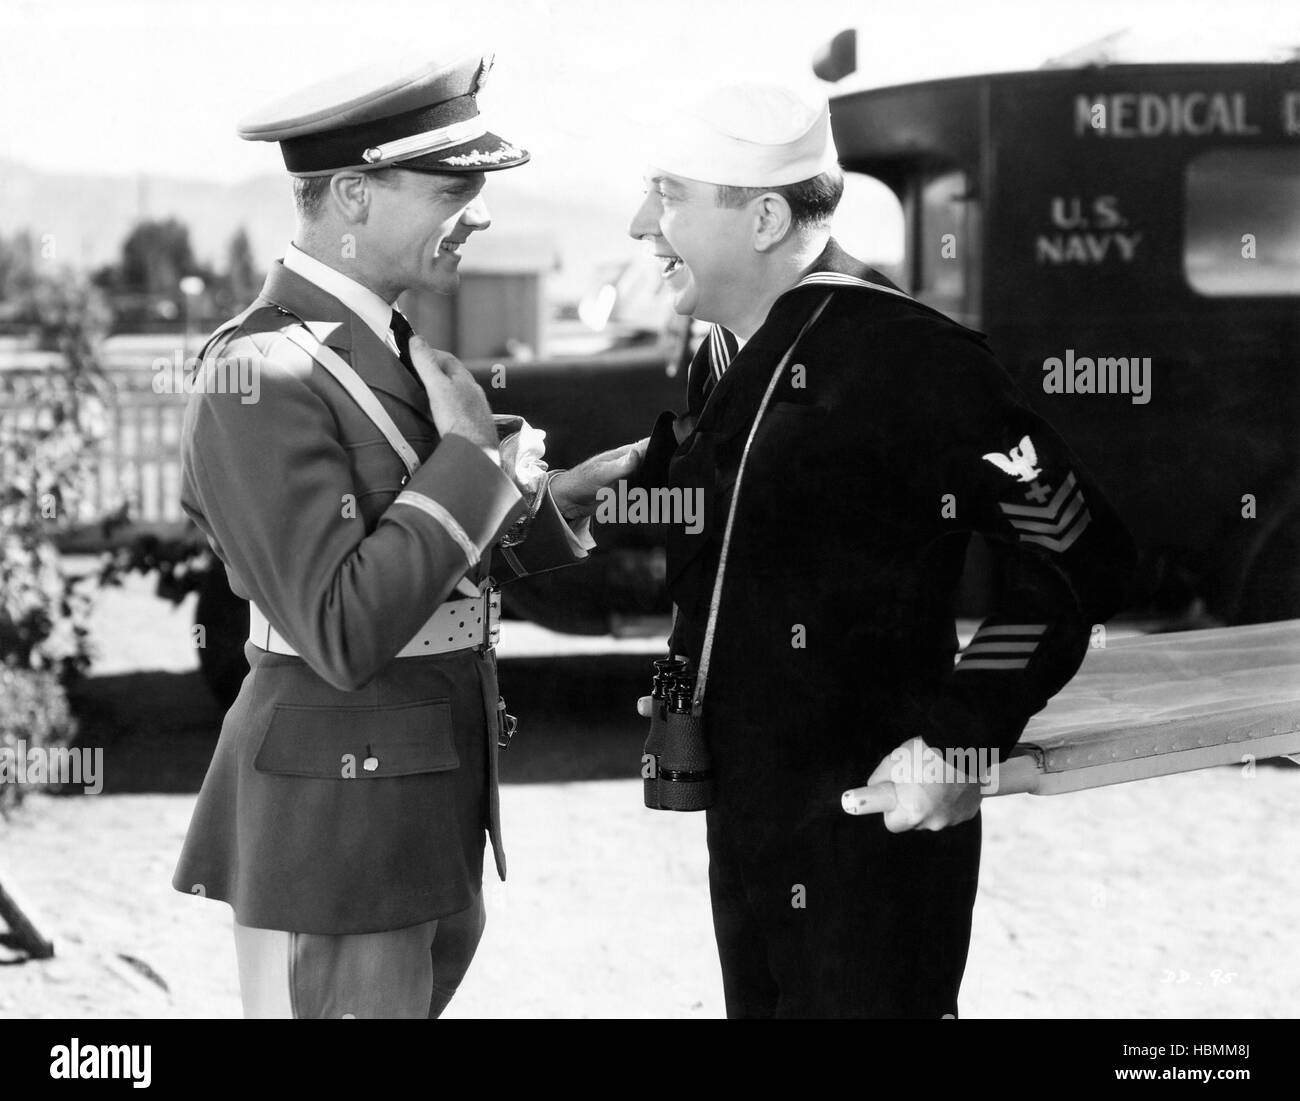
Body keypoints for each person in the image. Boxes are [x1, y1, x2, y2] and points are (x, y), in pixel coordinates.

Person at [629, 84, 1137, 1017]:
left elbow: (1081, 551)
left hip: (870, 826)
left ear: (766, 216)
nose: (638, 225)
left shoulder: (909, 355)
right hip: (750, 821)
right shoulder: (725, 347)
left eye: (665, 198)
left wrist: (961, 735)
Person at [173, 51, 641, 1018]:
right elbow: (340, 626)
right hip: (338, 827)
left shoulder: (381, 343)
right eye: (451, 186)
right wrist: (471, 456)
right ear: (350, 193)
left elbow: (424, 556)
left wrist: (547, 516)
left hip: (421, 798)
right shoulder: (259, 371)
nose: (478, 212)